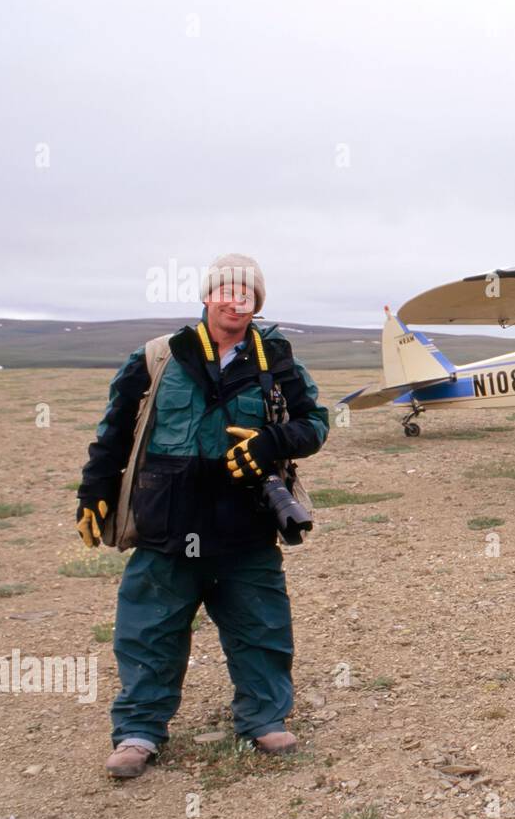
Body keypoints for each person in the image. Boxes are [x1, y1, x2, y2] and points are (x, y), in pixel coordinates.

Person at [76, 253, 329, 778]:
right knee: (149, 629)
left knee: (260, 625)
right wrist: (95, 489)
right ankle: (139, 732)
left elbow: (315, 424)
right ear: (207, 296)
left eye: (245, 293)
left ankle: (264, 719)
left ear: (256, 303)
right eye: (224, 290)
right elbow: (115, 431)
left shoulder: (276, 360)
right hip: (168, 520)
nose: (233, 300)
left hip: (246, 522)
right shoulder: (158, 357)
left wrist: (272, 440)